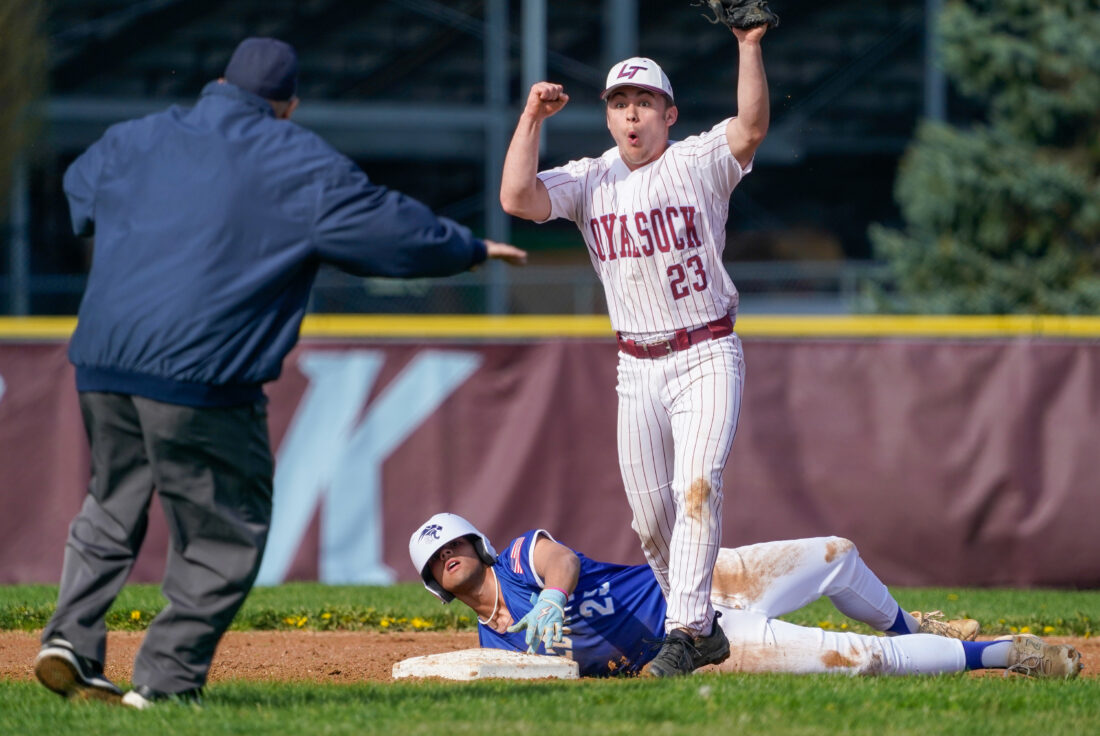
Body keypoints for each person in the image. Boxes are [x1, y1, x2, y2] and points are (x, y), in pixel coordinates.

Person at [34, 37, 527, 710]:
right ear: (288, 107)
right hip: (200, 372)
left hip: (102, 360)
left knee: (110, 504)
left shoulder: (140, 137)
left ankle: (68, 640)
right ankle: (165, 681)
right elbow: (385, 229)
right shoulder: (294, 159)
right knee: (225, 530)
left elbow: (79, 189)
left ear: (217, 82)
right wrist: (466, 248)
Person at [499, 23, 771, 676]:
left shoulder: (696, 161)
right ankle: (700, 629)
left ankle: (682, 632)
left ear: (668, 114)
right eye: (620, 103)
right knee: (651, 519)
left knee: (697, 487)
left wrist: (749, 44)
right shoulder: (591, 179)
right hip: (636, 366)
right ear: (609, 115)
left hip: (705, 352)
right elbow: (515, 197)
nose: (631, 113)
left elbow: (752, 127)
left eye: (644, 102)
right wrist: (531, 116)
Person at [409, 513, 1084, 679]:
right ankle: (1003, 656)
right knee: (853, 658)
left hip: (701, 584)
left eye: (455, 542)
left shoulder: (525, 556)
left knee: (837, 554)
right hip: (706, 648)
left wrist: (553, 598)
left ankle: (910, 622)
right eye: (437, 561)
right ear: (438, 587)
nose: (450, 556)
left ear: (478, 541)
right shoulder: (496, 643)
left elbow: (563, 564)